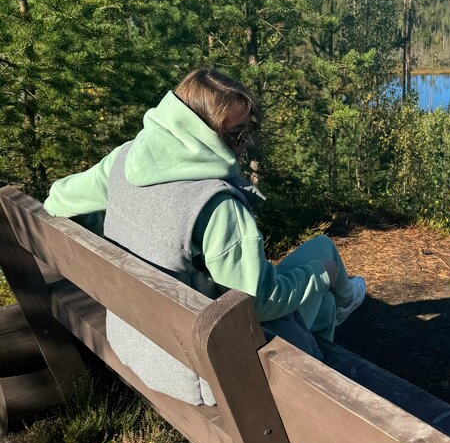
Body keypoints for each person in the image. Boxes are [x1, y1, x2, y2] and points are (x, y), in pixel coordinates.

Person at [43, 67, 367, 406]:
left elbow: (58, 200)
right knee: (323, 262)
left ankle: (336, 314)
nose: (248, 144)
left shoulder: (124, 160)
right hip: (203, 369)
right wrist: (318, 276)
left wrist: (127, 230)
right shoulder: (216, 205)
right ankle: (318, 397)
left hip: (137, 341)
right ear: (203, 133)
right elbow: (259, 302)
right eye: (238, 134)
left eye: (249, 131)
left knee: (320, 291)